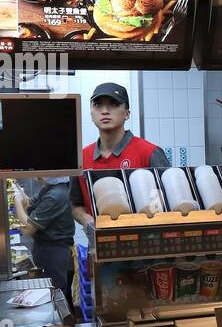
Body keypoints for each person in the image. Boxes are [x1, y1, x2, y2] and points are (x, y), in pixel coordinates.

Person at [70, 82, 168, 226]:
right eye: (98, 105)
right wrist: (87, 220)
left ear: (127, 113)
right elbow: (74, 203)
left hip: (144, 242)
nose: (104, 111)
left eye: (114, 104)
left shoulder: (149, 153)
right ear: (91, 114)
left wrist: (147, 219)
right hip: (100, 245)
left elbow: (167, 200)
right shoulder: (81, 157)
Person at [15, 176, 77, 313]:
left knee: (55, 295)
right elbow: (28, 204)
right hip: (45, 249)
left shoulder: (56, 196)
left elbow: (28, 228)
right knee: (46, 293)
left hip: (54, 252)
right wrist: (18, 191)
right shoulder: (49, 189)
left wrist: (17, 202)